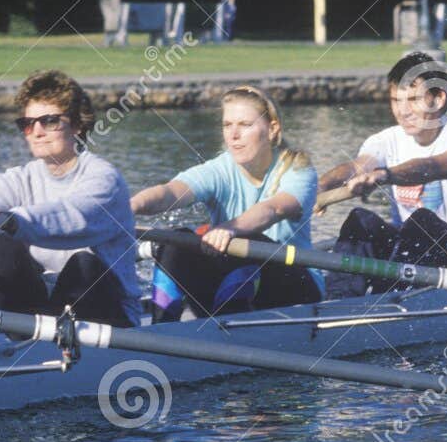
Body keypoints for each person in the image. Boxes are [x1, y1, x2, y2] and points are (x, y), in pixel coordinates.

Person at [0, 70, 138, 329]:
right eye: (28, 124)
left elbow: (73, 215)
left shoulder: (104, 179)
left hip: (109, 318)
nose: (37, 132)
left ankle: (54, 346)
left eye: (49, 121)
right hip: (46, 314)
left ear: (77, 125)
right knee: (4, 246)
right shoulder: (17, 179)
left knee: (84, 263)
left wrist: (8, 220)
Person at [131, 86, 321, 321]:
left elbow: (274, 209)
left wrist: (230, 228)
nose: (233, 135)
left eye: (245, 125)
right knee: (174, 242)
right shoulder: (219, 169)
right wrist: (130, 207)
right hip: (234, 279)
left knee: (248, 240)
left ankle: (230, 326)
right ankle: (162, 326)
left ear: (272, 129)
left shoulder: (298, 170)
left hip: (297, 288)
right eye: (227, 125)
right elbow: (170, 193)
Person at [318, 52, 447, 293]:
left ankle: (387, 295)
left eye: (413, 99)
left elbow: (438, 166)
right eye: (396, 101)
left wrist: (386, 175)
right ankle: (339, 301)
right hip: (410, 256)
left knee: (421, 220)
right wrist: (321, 186)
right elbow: (357, 166)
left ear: (439, 99)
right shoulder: (385, 140)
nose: (403, 111)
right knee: (360, 220)